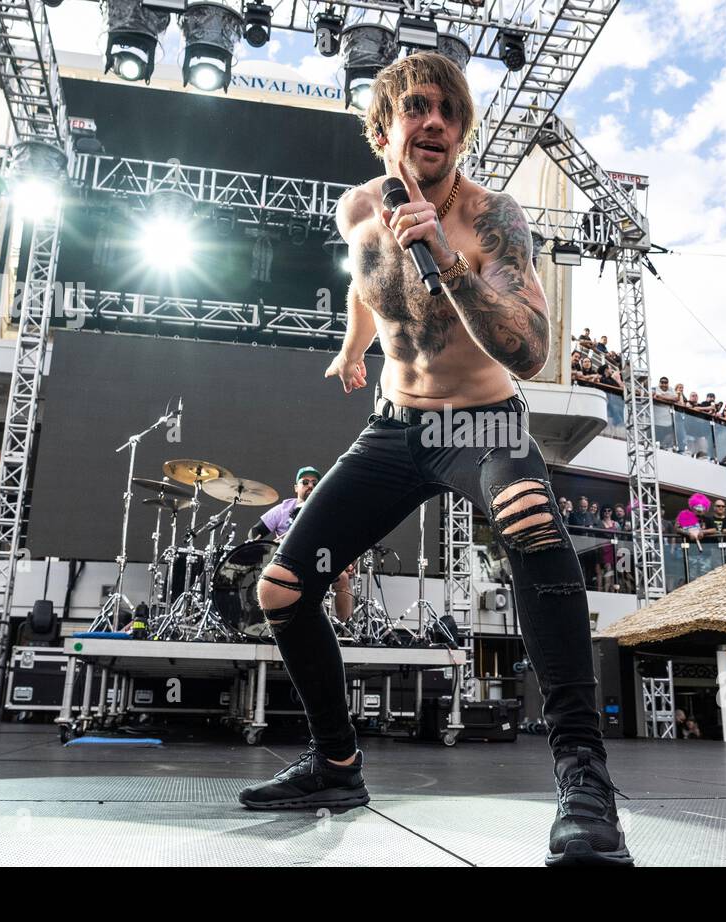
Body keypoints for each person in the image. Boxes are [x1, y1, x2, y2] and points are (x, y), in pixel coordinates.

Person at [245, 53, 632, 866]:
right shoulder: (358, 209)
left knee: (530, 520)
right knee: (280, 587)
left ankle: (586, 784)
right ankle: (337, 764)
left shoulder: (493, 217)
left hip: (481, 424)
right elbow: (365, 280)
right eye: (418, 108)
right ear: (384, 126)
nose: (436, 124)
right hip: (396, 428)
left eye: (451, 114)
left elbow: (529, 349)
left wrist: (447, 261)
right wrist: (352, 350)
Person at [248, 467, 353, 625]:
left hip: (318, 559)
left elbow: (341, 538)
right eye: (305, 482)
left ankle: (344, 626)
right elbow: (255, 531)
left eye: (314, 483)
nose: (310, 485)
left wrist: (346, 560)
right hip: (287, 560)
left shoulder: (327, 509)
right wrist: (259, 546)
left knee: (343, 578)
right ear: (296, 487)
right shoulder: (283, 509)